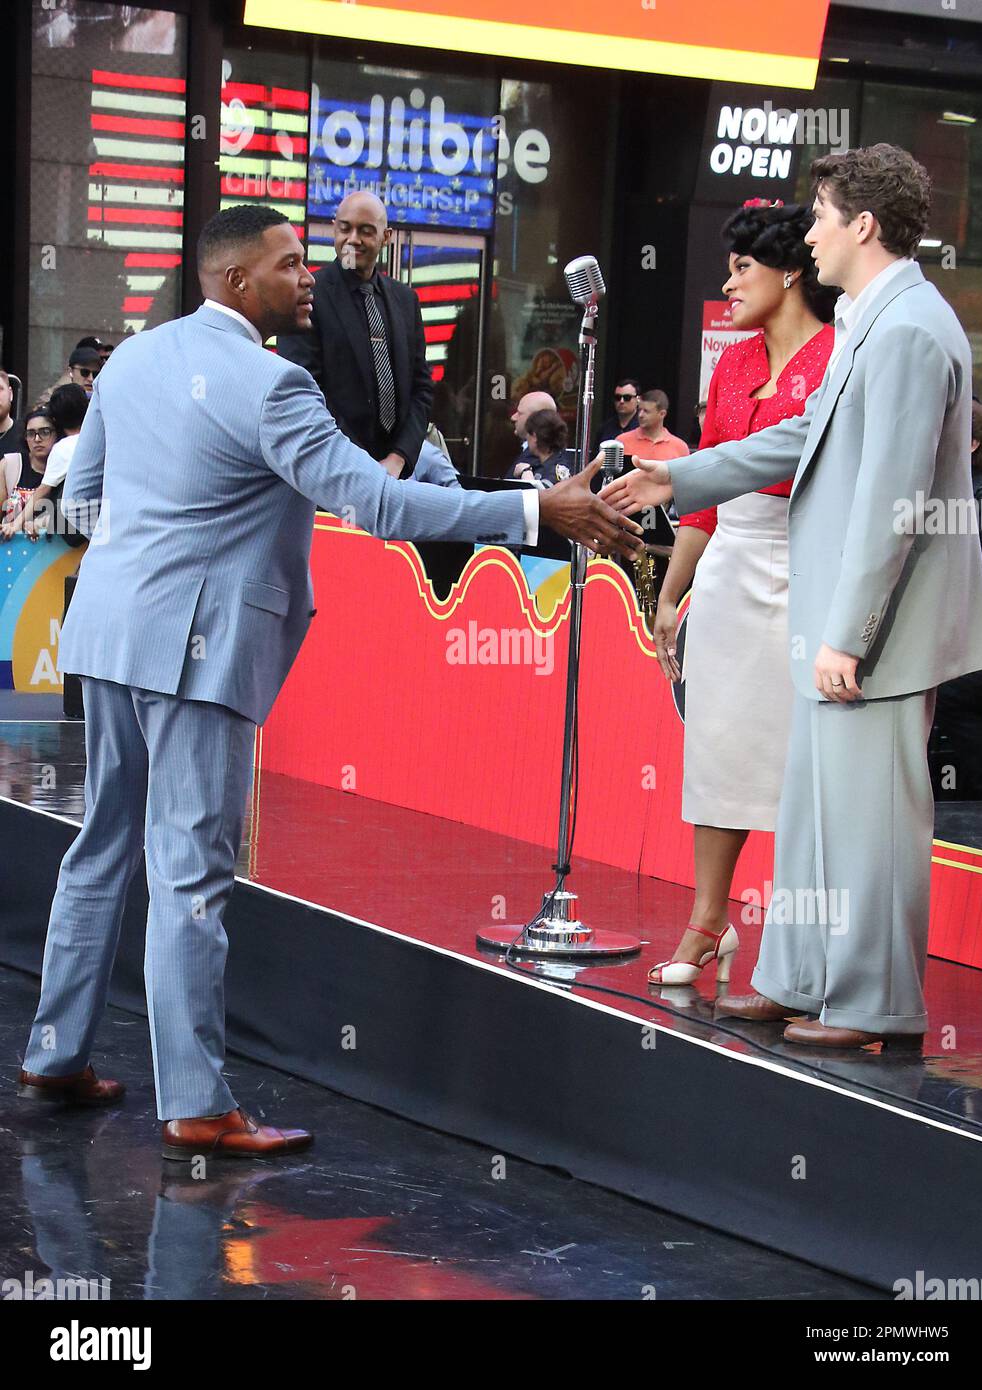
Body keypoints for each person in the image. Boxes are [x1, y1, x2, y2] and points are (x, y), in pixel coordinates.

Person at [16, 205, 641, 1157]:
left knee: (102, 843)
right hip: (198, 647)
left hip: (108, 631)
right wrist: (532, 505)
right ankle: (193, 1103)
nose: (307, 277)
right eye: (289, 263)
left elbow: (85, 490)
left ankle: (54, 1056)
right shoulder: (275, 386)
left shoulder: (135, 360)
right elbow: (380, 502)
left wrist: (148, 555)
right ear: (235, 282)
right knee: (190, 870)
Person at [603, 144, 982, 1048]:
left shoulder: (902, 329)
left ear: (862, 225)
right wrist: (682, 480)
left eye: (819, 216)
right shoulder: (872, 317)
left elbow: (894, 504)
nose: (807, 233)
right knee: (816, 817)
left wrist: (848, 636)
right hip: (843, 621)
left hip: (875, 631)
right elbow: (799, 440)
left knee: (867, 825)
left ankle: (872, 1007)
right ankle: (799, 981)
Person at [638, 201, 835, 988]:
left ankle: (797, 948)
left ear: (789, 271)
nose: (727, 284)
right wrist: (671, 593)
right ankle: (706, 924)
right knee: (716, 750)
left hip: (810, 563)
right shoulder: (733, 364)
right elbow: (706, 492)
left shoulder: (839, 357)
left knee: (802, 767)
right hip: (728, 569)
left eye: (740, 267)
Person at [276, 191, 432, 480]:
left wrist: (398, 458)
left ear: (386, 237)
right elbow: (306, 391)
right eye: (345, 228)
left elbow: (421, 389)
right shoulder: (306, 296)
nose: (353, 239)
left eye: (366, 231)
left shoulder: (405, 300)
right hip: (329, 474)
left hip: (395, 477)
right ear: (334, 227)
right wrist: (362, 466)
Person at [933, 400, 982, 798]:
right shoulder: (953, 498)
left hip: (981, 646)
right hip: (966, 640)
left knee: (947, 693)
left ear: (972, 444)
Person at [6, 385, 89, 543]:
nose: (37, 439)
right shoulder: (99, 442)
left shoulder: (63, 448)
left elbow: (43, 491)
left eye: (45, 432)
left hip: (73, 531)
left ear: (55, 421)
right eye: (31, 434)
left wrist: (15, 524)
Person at [616, 389, 689, 465]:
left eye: (646, 411)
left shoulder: (679, 447)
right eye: (639, 410)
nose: (640, 415)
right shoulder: (622, 442)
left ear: (662, 414)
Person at [506, 389, 558, 479]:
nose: (513, 417)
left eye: (519, 413)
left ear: (537, 419)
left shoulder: (549, 462)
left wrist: (526, 474)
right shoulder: (522, 450)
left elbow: (544, 492)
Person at [521, 409, 572, 487]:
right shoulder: (538, 464)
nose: (526, 438)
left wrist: (525, 472)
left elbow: (540, 496)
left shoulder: (558, 469)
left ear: (534, 437)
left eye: (528, 434)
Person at [595, 378, 641, 446]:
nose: (621, 401)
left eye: (627, 397)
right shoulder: (605, 428)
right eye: (618, 397)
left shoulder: (644, 428)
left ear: (638, 400)